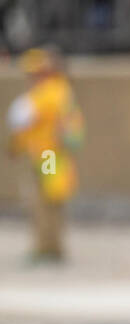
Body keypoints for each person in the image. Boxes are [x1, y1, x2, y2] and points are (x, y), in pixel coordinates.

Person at [5, 47, 84, 261]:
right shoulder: (56, 91)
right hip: (47, 153)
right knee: (48, 198)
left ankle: (47, 247)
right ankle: (50, 246)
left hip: (48, 154)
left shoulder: (51, 92)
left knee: (44, 198)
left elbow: (24, 118)